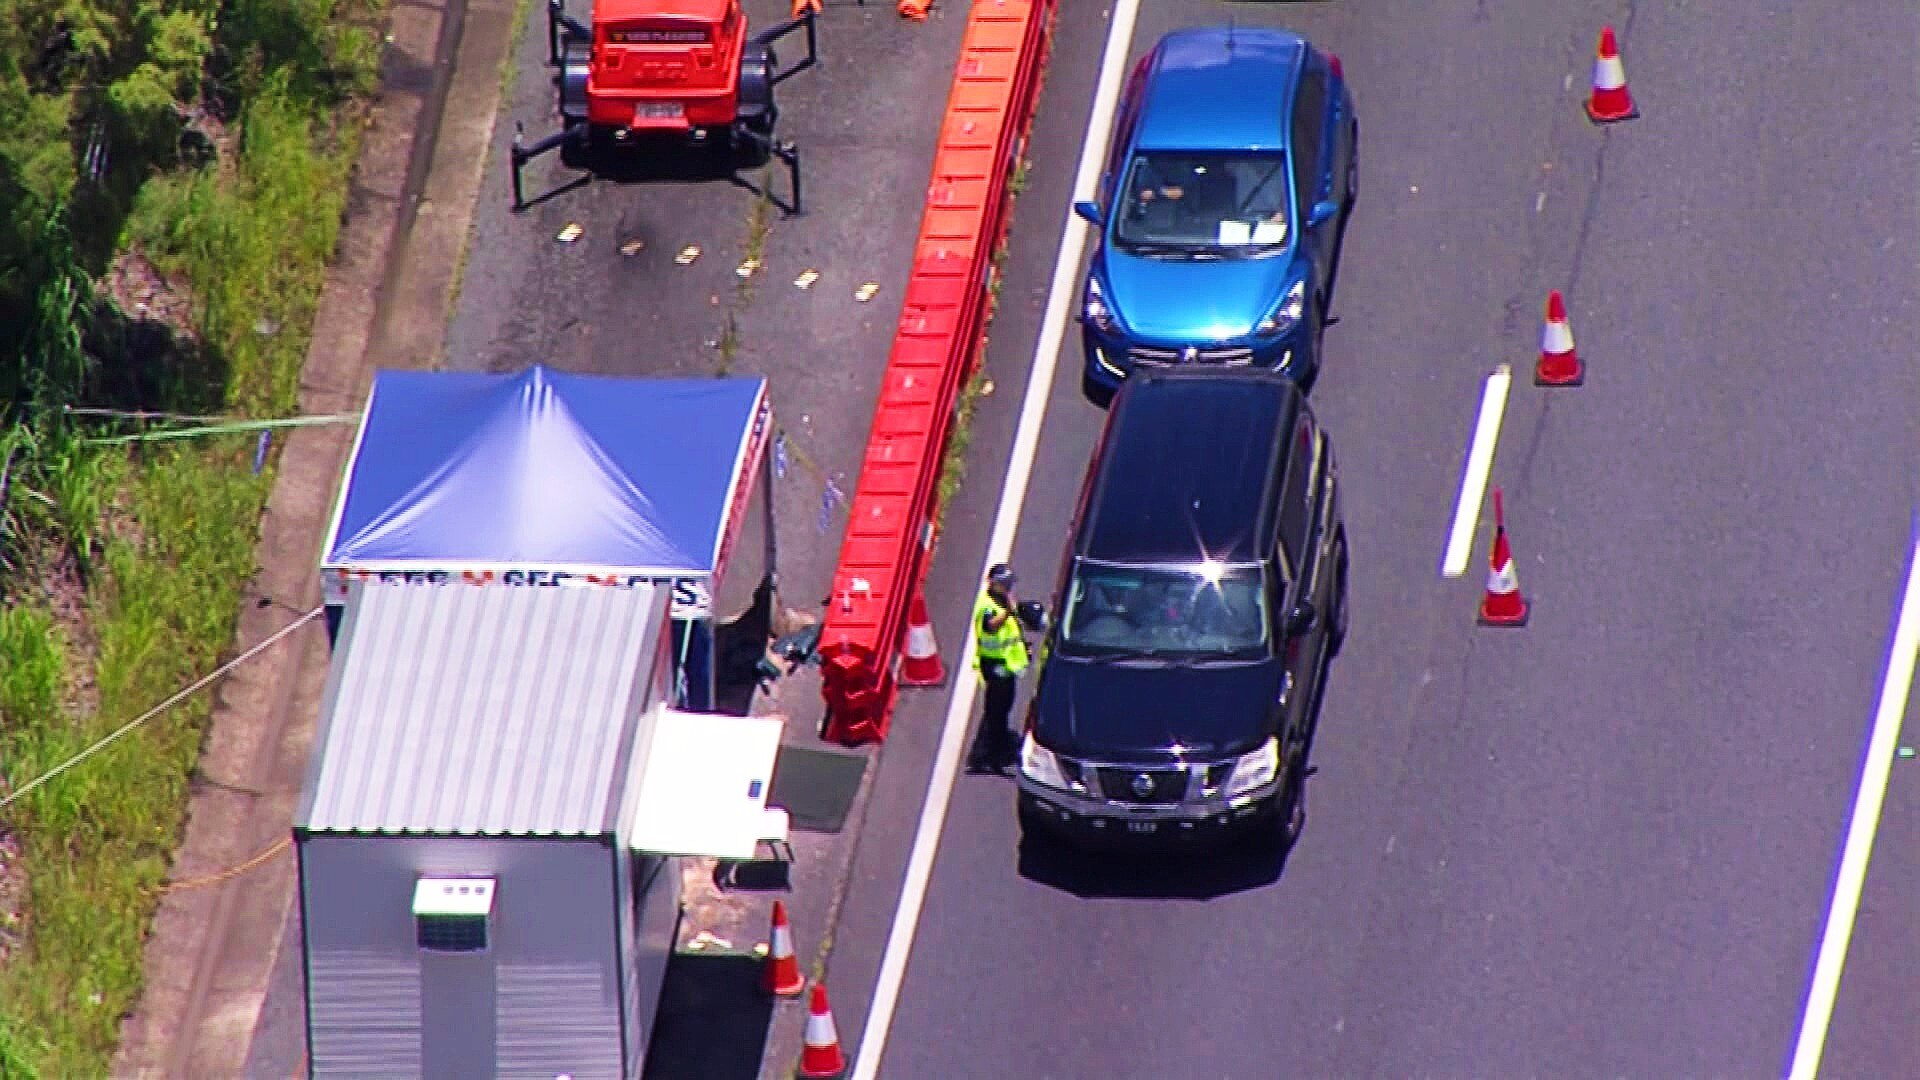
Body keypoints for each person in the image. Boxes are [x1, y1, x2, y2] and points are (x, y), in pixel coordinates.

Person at [966, 562, 1029, 774]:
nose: (1009, 587)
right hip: (994, 665)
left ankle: (1000, 741)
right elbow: (990, 626)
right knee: (996, 709)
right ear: (994, 584)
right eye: (1006, 584)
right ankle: (989, 753)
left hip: (1005, 663)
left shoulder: (1001, 598)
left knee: (1003, 706)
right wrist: (1008, 613)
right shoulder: (987, 605)